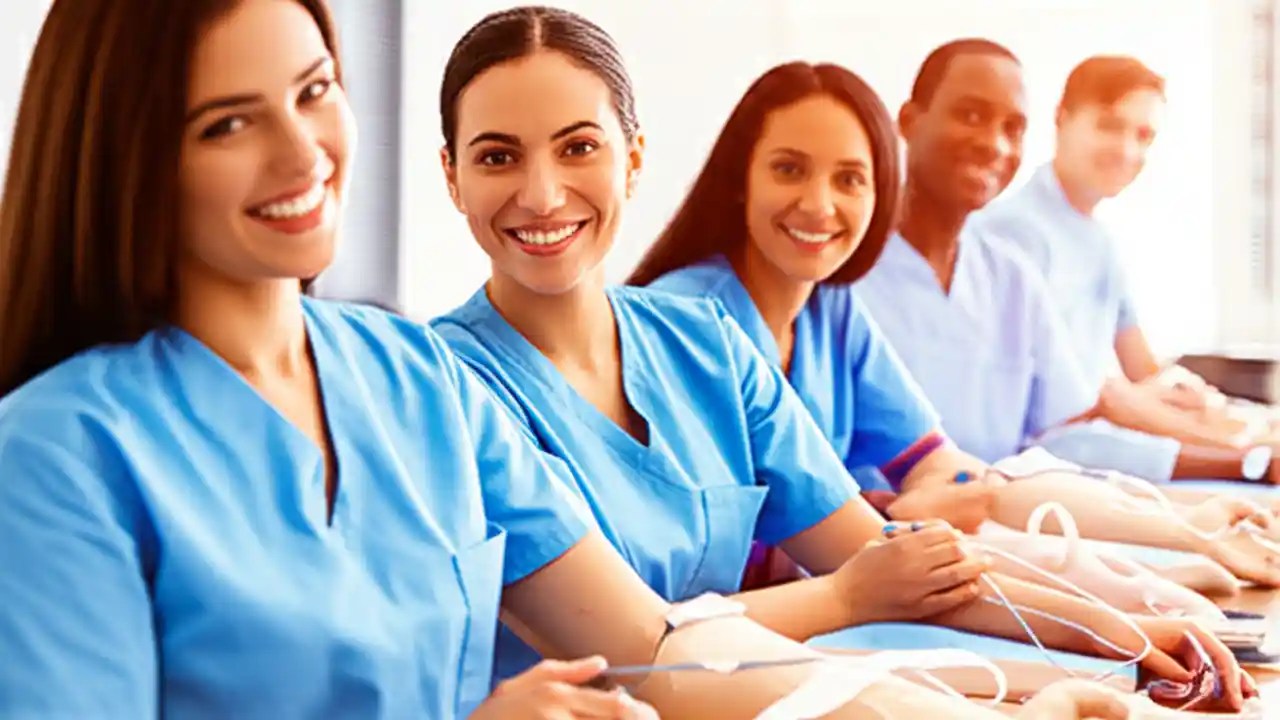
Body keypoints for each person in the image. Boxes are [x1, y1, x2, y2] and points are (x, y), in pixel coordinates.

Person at [0, 2, 1049, 718]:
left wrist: (1006, 704)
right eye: (230, 123)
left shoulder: (417, 382)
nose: (302, 153)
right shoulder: (57, 457)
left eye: (314, 91)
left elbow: (659, 655)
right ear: (132, 153)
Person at [426, 8, 1250, 709]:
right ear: (454, 178)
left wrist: (1126, 628)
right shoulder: (443, 385)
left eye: (578, 148)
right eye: (498, 156)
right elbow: (639, 652)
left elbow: (893, 558)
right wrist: (846, 597)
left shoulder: (704, 345)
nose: (540, 193)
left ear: (633, 159)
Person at [970, 54, 1275, 477]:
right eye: (1109, 125)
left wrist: (1203, 403)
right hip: (1046, 450)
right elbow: (1088, 399)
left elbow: (1143, 370)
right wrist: (1235, 445)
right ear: (1062, 119)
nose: (1127, 150)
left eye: (1144, 135)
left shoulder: (1101, 242)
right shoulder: (1009, 234)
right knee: (1253, 463)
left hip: (1102, 427)